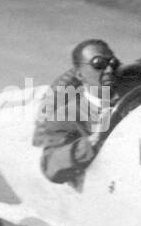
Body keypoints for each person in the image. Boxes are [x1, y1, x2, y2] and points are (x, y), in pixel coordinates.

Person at [33, 39, 121, 186]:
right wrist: (92, 141)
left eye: (113, 63)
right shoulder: (65, 116)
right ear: (80, 75)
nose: (109, 70)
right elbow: (51, 166)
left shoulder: (137, 96)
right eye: (98, 64)